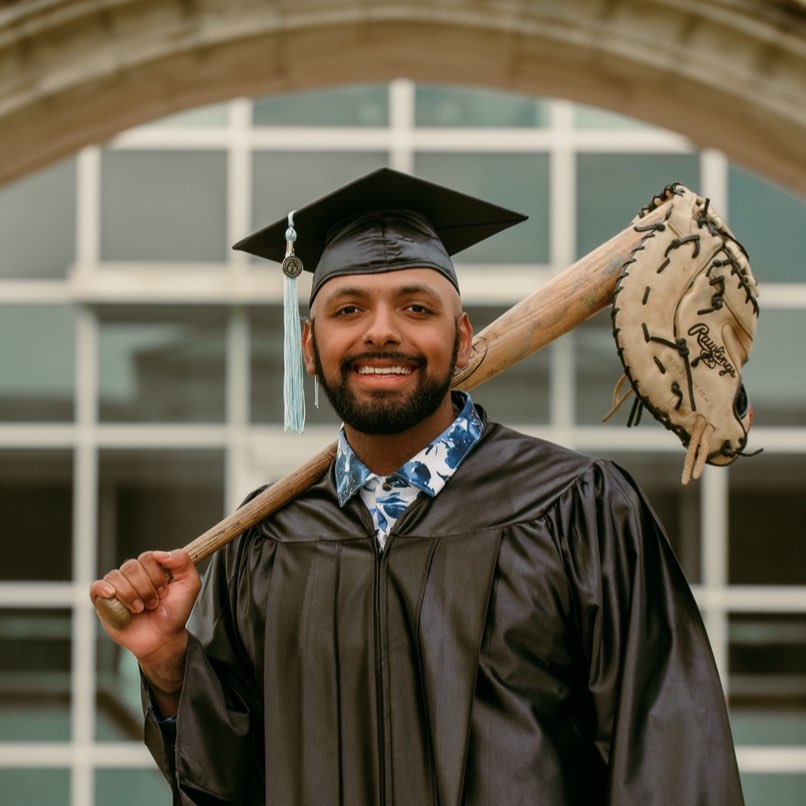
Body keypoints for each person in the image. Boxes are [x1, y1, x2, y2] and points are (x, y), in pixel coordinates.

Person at [91, 168, 745, 805]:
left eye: (416, 307)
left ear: (461, 339)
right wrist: (169, 665)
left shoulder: (579, 509)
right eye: (350, 309)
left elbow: (671, 763)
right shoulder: (265, 538)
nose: (381, 330)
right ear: (309, 346)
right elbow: (230, 783)